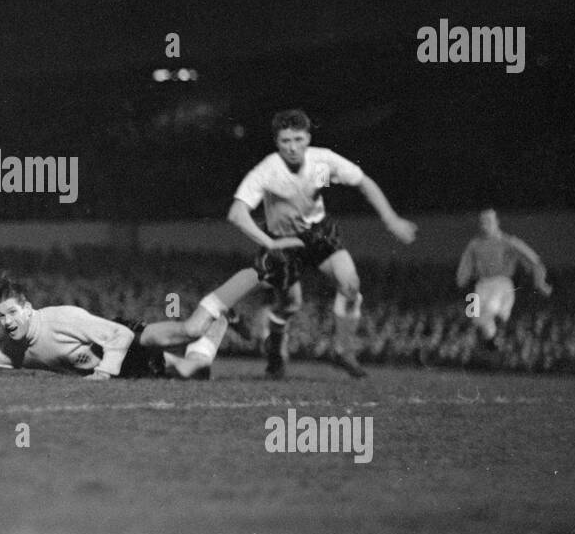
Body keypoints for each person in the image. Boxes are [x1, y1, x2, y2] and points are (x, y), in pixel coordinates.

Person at [156, 110, 417, 379]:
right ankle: (275, 348)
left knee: (350, 284)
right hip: (283, 243)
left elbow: (364, 182)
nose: (292, 147)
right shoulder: (268, 170)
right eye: (285, 141)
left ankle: (343, 351)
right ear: (276, 142)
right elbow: (236, 213)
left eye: (298, 139)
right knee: (290, 305)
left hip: (318, 234)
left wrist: (391, 219)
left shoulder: (322, 160)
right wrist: (270, 242)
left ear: (308, 138)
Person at [0, 278, 228, 379]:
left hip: (124, 337)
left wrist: (104, 373)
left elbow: (121, 336)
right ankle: (224, 319)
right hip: (122, 364)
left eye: (13, 312)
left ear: (27, 309)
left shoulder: (60, 318)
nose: (8, 321)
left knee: (190, 330)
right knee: (193, 371)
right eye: (1, 316)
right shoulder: (15, 348)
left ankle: (234, 292)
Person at [456, 208, 552, 351]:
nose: (484, 224)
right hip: (482, 285)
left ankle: (501, 329)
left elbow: (533, 260)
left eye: (488, 221)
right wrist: (461, 278)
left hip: (501, 283)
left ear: (497, 222)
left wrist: (540, 282)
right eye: (482, 221)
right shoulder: (474, 244)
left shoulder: (508, 241)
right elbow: (465, 264)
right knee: (474, 317)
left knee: (491, 309)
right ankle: (492, 344)